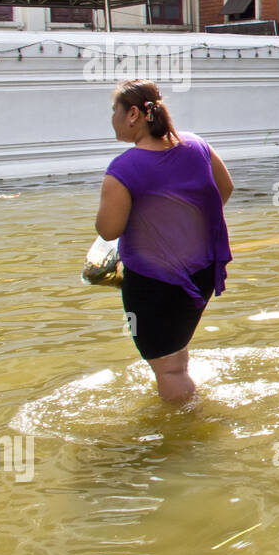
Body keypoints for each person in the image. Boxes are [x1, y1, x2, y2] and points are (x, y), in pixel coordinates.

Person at [95, 80, 234, 403]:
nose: (111, 118)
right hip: (201, 274)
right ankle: (183, 406)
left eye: (113, 111)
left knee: (169, 368)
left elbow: (108, 230)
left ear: (132, 114)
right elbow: (223, 190)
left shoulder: (123, 168)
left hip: (153, 283)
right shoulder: (196, 145)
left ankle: (183, 439)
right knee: (176, 356)